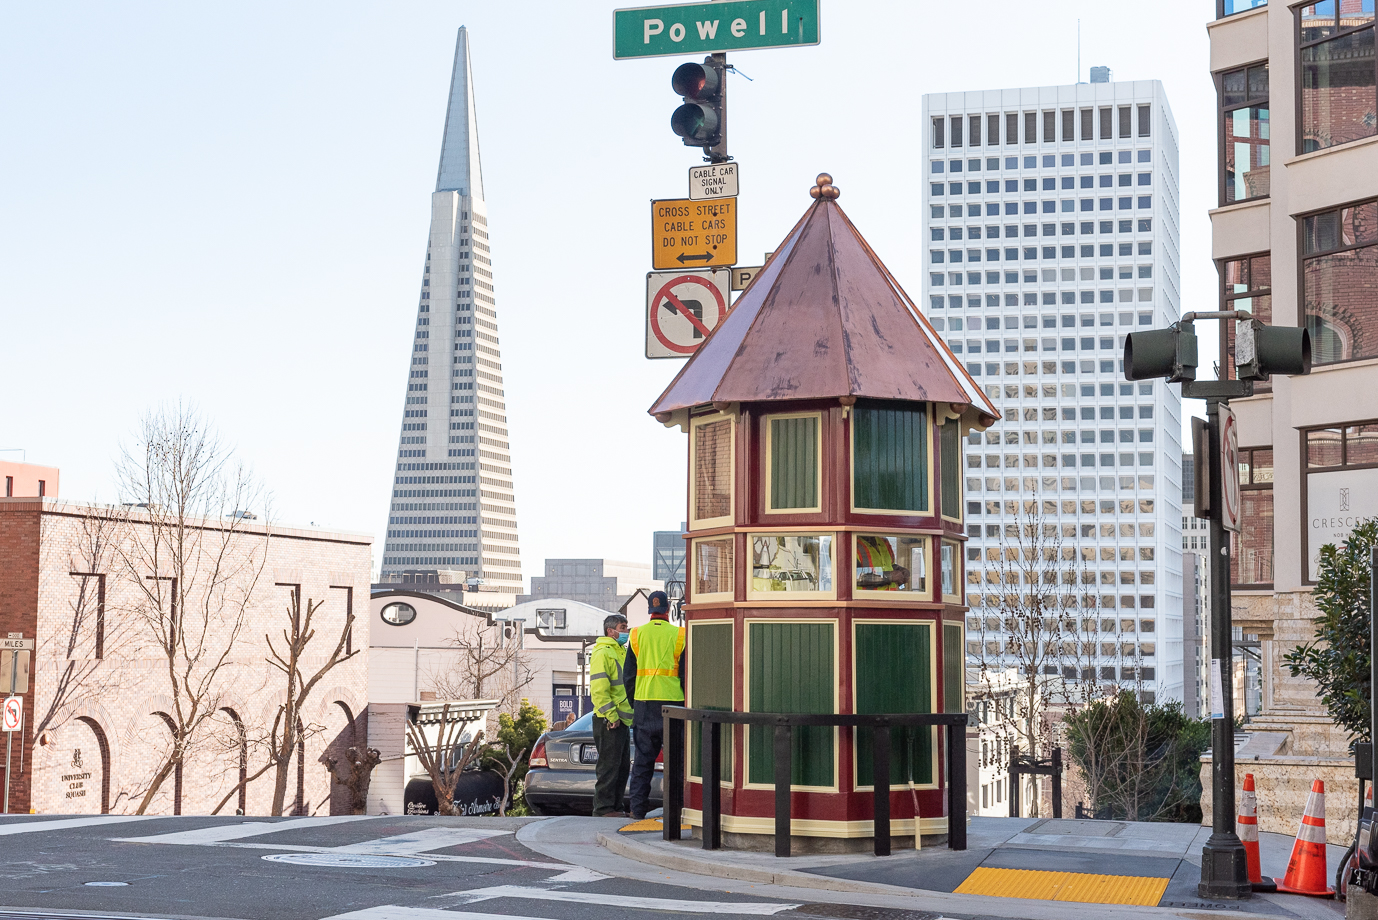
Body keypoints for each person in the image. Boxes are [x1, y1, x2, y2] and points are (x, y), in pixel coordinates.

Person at [625, 590, 685, 821]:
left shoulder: (637, 635)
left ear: (650, 610)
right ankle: (676, 810)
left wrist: (636, 701)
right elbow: (685, 674)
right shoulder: (680, 634)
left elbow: (629, 676)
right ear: (668, 610)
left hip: (644, 706)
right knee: (675, 762)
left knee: (642, 762)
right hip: (674, 705)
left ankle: (637, 810)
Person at [588, 613, 632, 818]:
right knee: (609, 766)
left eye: (626, 627)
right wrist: (611, 715)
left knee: (621, 766)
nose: (626, 631)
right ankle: (604, 809)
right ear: (610, 631)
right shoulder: (603, 653)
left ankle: (615, 807)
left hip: (621, 719)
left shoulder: (620, 651)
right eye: (622, 628)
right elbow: (599, 689)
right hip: (609, 720)